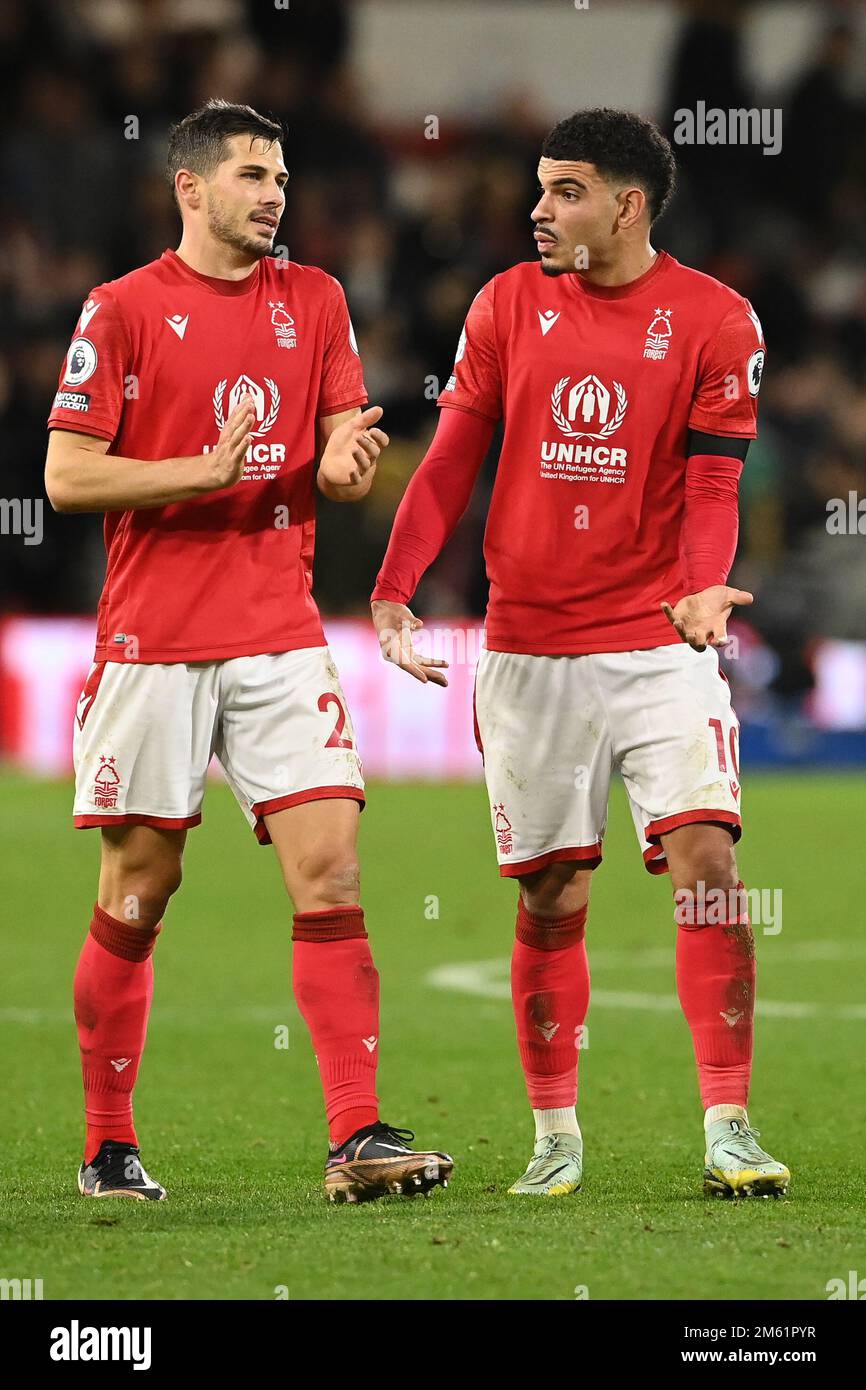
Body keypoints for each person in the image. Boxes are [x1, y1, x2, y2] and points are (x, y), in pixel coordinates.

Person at [372, 107, 788, 1200]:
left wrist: (702, 584)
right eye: (538, 188)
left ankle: (729, 1123)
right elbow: (450, 459)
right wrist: (392, 589)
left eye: (563, 191)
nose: (537, 209)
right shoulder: (505, 304)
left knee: (707, 867)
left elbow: (711, 483)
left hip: (657, 641)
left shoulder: (715, 320)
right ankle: (555, 1130)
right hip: (529, 647)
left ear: (625, 203)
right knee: (552, 894)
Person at [45, 99, 451, 1206]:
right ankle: (107, 1143)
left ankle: (355, 1134)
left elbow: (331, 442)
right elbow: (68, 478)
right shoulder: (121, 309)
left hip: (278, 630)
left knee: (332, 871)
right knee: (140, 888)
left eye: (279, 175)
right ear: (190, 189)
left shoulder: (313, 299)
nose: (273, 194)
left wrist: (341, 467)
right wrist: (194, 473)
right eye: (250, 175)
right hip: (154, 643)